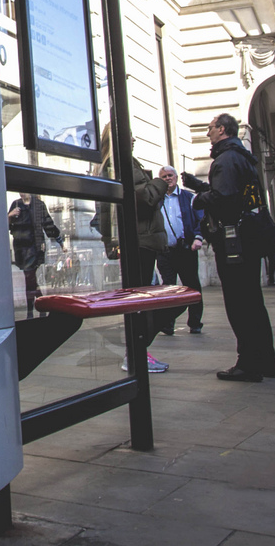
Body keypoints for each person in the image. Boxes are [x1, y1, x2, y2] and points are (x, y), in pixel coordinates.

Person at [198, 113, 275, 383]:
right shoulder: (240, 156)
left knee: (239, 302)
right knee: (253, 301)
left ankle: (248, 364)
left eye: (210, 128)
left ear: (222, 129)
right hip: (250, 238)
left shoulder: (226, 159)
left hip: (235, 241)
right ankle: (265, 361)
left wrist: (200, 198)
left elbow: (225, 198)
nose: (207, 133)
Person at [95, 131, 173, 373]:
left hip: (137, 240)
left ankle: (138, 351)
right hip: (140, 241)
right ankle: (135, 352)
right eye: (128, 135)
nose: (133, 139)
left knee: (144, 298)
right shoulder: (122, 163)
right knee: (144, 300)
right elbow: (145, 198)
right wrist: (160, 182)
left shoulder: (113, 164)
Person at [154, 167, 204, 335]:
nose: (168, 178)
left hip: (186, 249)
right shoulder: (157, 199)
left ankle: (195, 322)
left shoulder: (189, 198)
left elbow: (201, 220)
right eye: (164, 176)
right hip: (164, 252)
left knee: (192, 286)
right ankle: (168, 324)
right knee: (168, 288)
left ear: (175, 177)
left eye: (170, 175)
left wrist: (198, 238)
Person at [9, 192, 63, 318]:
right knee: (31, 280)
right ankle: (42, 307)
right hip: (21, 249)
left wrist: (59, 240)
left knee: (29, 277)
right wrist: (10, 215)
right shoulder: (15, 204)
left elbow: (48, 224)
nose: (22, 193)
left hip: (35, 248)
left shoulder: (39, 205)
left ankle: (30, 311)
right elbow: (6, 225)